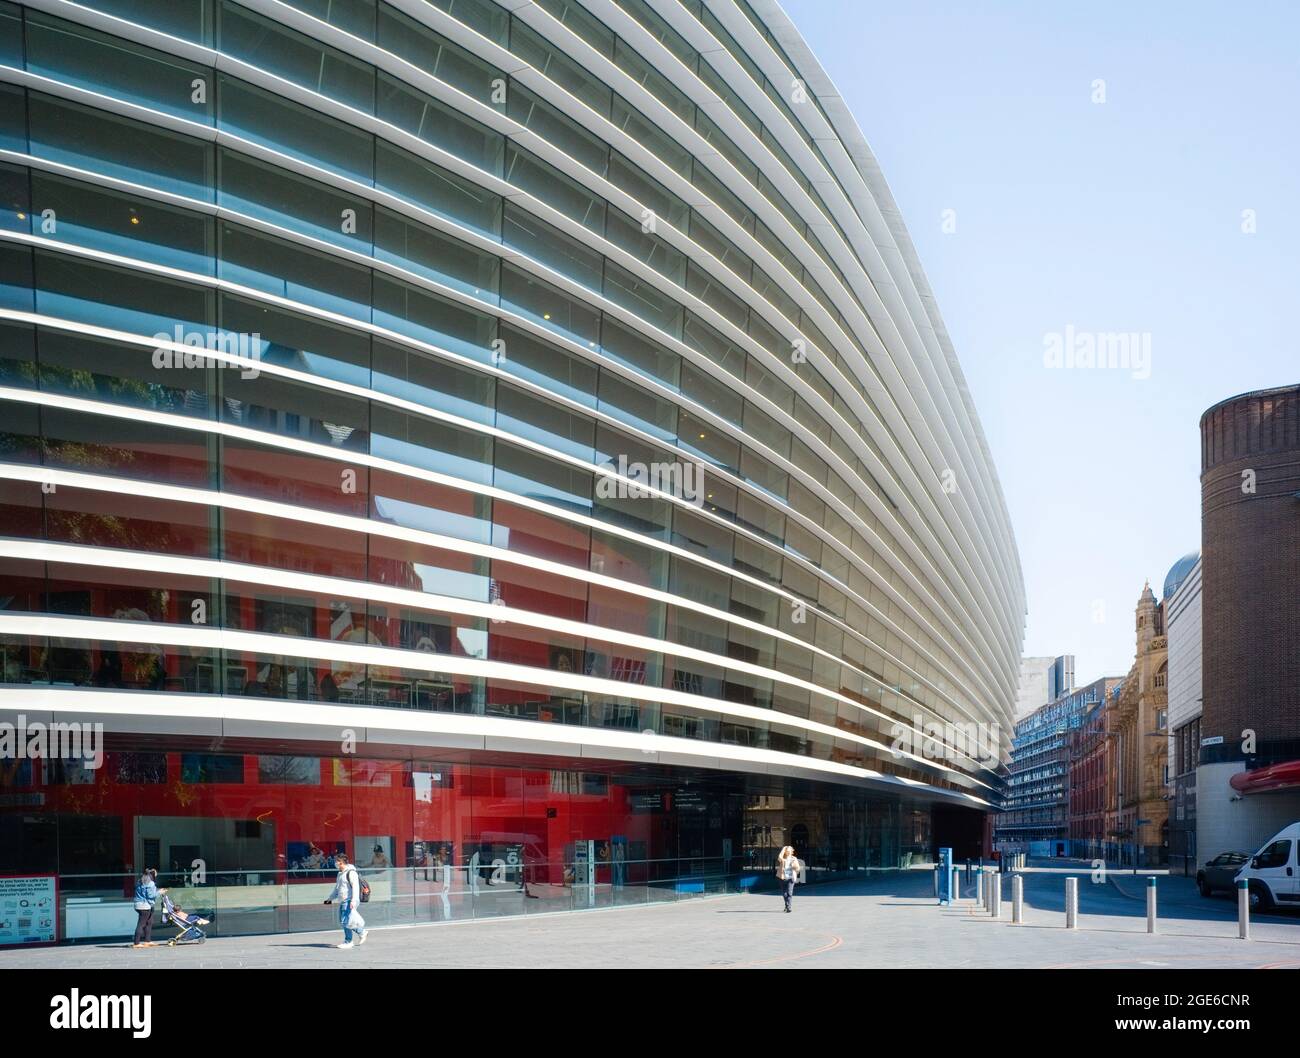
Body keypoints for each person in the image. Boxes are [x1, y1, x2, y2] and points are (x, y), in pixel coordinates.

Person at [323, 851, 367, 949]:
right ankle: (361, 932)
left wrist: (353, 901)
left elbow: (356, 888)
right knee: (343, 921)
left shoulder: (351, 873)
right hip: (343, 900)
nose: (335, 863)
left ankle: (349, 941)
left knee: (345, 921)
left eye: (336, 861)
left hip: (349, 900)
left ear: (341, 862)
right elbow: (337, 888)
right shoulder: (340, 874)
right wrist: (329, 899)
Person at [132, 868, 163, 947]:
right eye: (156, 874)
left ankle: (147, 940)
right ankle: (136, 943)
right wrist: (160, 892)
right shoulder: (151, 883)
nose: (156, 876)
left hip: (139, 904)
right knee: (141, 924)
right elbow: (151, 896)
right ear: (152, 875)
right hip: (145, 905)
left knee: (149, 922)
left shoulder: (140, 881)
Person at [775, 846, 799, 913]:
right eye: (787, 851)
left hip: (791, 878)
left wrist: (795, 867)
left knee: (789, 893)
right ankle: (786, 905)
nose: (788, 852)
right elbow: (779, 857)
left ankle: (789, 907)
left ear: (792, 852)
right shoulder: (782, 859)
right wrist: (784, 848)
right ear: (785, 852)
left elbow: (798, 868)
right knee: (784, 893)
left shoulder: (794, 859)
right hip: (782, 878)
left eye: (789, 851)